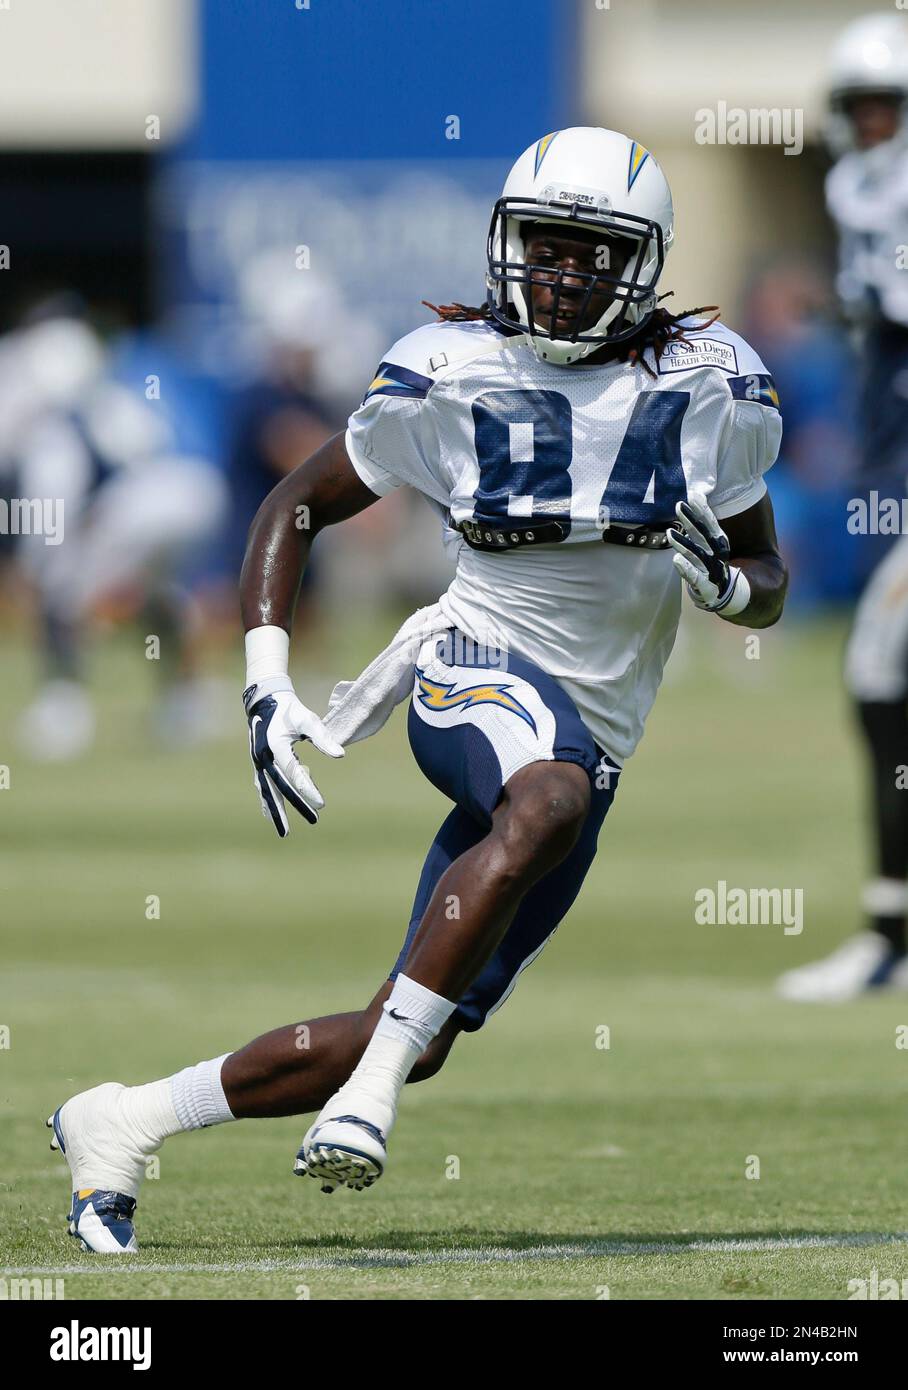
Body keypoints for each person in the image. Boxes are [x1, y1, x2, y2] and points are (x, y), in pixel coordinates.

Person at [49, 127, 787, 1253]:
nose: (560, 271)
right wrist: (263, 676)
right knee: (539, 807)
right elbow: (294, 502)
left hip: (592, 733)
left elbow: (766, 574)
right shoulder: (453, 369)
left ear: (642, 263)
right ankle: (372, 1095)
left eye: (591, 252)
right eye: (543, 244)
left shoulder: (707, 385)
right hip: (470, 666)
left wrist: (729, 588)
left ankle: (127, 1118)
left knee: (414, 1019)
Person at [777, 13, 908, 1001]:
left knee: (876, 663)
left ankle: (888, 930)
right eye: (859, 109)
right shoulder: (858, 198)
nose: (872, 127)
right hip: (887, 472)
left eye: (887, 108)